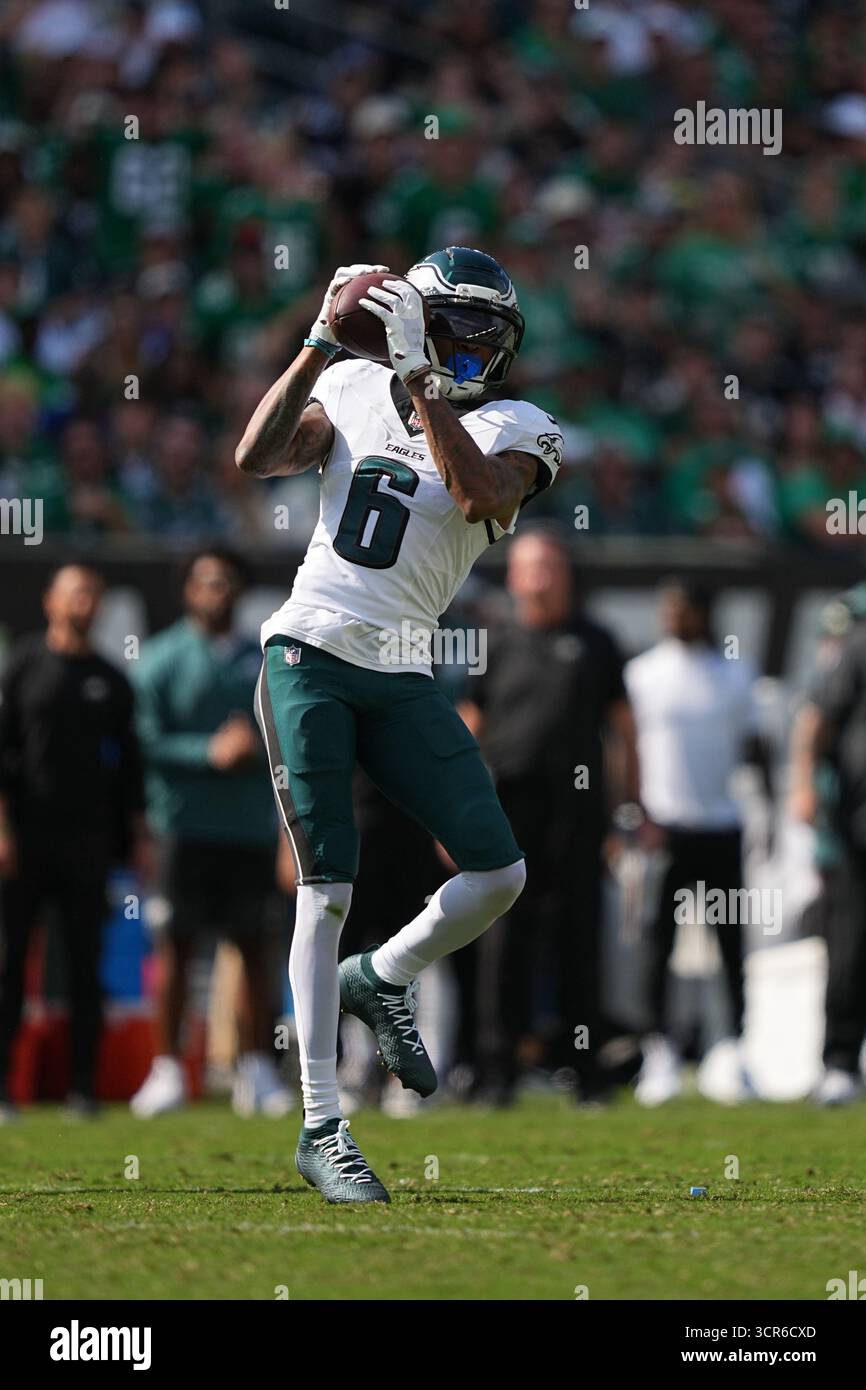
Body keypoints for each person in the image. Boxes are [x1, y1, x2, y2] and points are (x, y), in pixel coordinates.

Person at [236, 247, 563, 1202]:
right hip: (310, 649)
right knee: (326, 887)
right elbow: (256, 457)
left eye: (487, 338)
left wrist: (423, 379)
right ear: (415, 319)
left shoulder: (519, 425)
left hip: (404, 668)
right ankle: (322, 1125)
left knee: (500, 872)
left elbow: (479, 495)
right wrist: (316, 342)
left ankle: (381, 976)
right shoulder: (349, 386)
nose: (475, 353)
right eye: (459, 331)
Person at [459, 525, 643, 1105]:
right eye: (530, 566)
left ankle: (584, 1070)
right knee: (502, 940)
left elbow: (623, 731)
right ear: (513, 576)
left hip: (579, 812)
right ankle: (496, 1071)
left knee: (578, 938)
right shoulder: (494, 642)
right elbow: (469, 727)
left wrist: (627, 813)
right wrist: (454, 813)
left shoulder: (596, 641)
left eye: (551, 566)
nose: (541, 578)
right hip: (507, 811)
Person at [129, 547, 292, 1119]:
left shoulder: (263, 661)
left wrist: (253, 745)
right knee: (177, 946)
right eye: (205, 581)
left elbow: (290, 732)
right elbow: (145, 741)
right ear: (187, 590)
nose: (215, 591)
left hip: (248, 830)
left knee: (254, 947)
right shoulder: (160, 659)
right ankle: (168, 1069)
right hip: (183, 828)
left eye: (225, 581)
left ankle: (257, 1069)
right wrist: (208, 751)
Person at [0, 564, 149, 1119]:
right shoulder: (23, 668)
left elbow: (130, 770)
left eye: (92, 594)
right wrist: (3, 830)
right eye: (75, 592)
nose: (84, 602)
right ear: (51, 601)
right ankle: (4, 1087)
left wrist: (136, 839)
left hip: (88, 844)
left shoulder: (111, 680)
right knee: (11, 960)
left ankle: (83, 1088)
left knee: (87, 964)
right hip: (25, 841)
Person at [624, 579, 769, 1106]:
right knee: (657, 945)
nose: (674, 617)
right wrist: (634, 815)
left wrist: (767, 813)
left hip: (722, 827)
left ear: (703, 613)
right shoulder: (643, 674)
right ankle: (658, 1051)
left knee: (729, 943)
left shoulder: (735, 673)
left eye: (683, 609)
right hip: (664, 828)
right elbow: (626, 747)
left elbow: (756, 747)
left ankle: (731, 1048)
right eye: (669, 609)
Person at [790, 586, 866, 1105]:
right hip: (857, 822)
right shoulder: (859, 643)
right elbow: (817, 718)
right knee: (851, 944)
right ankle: (840, 1062)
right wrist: (804, 786)